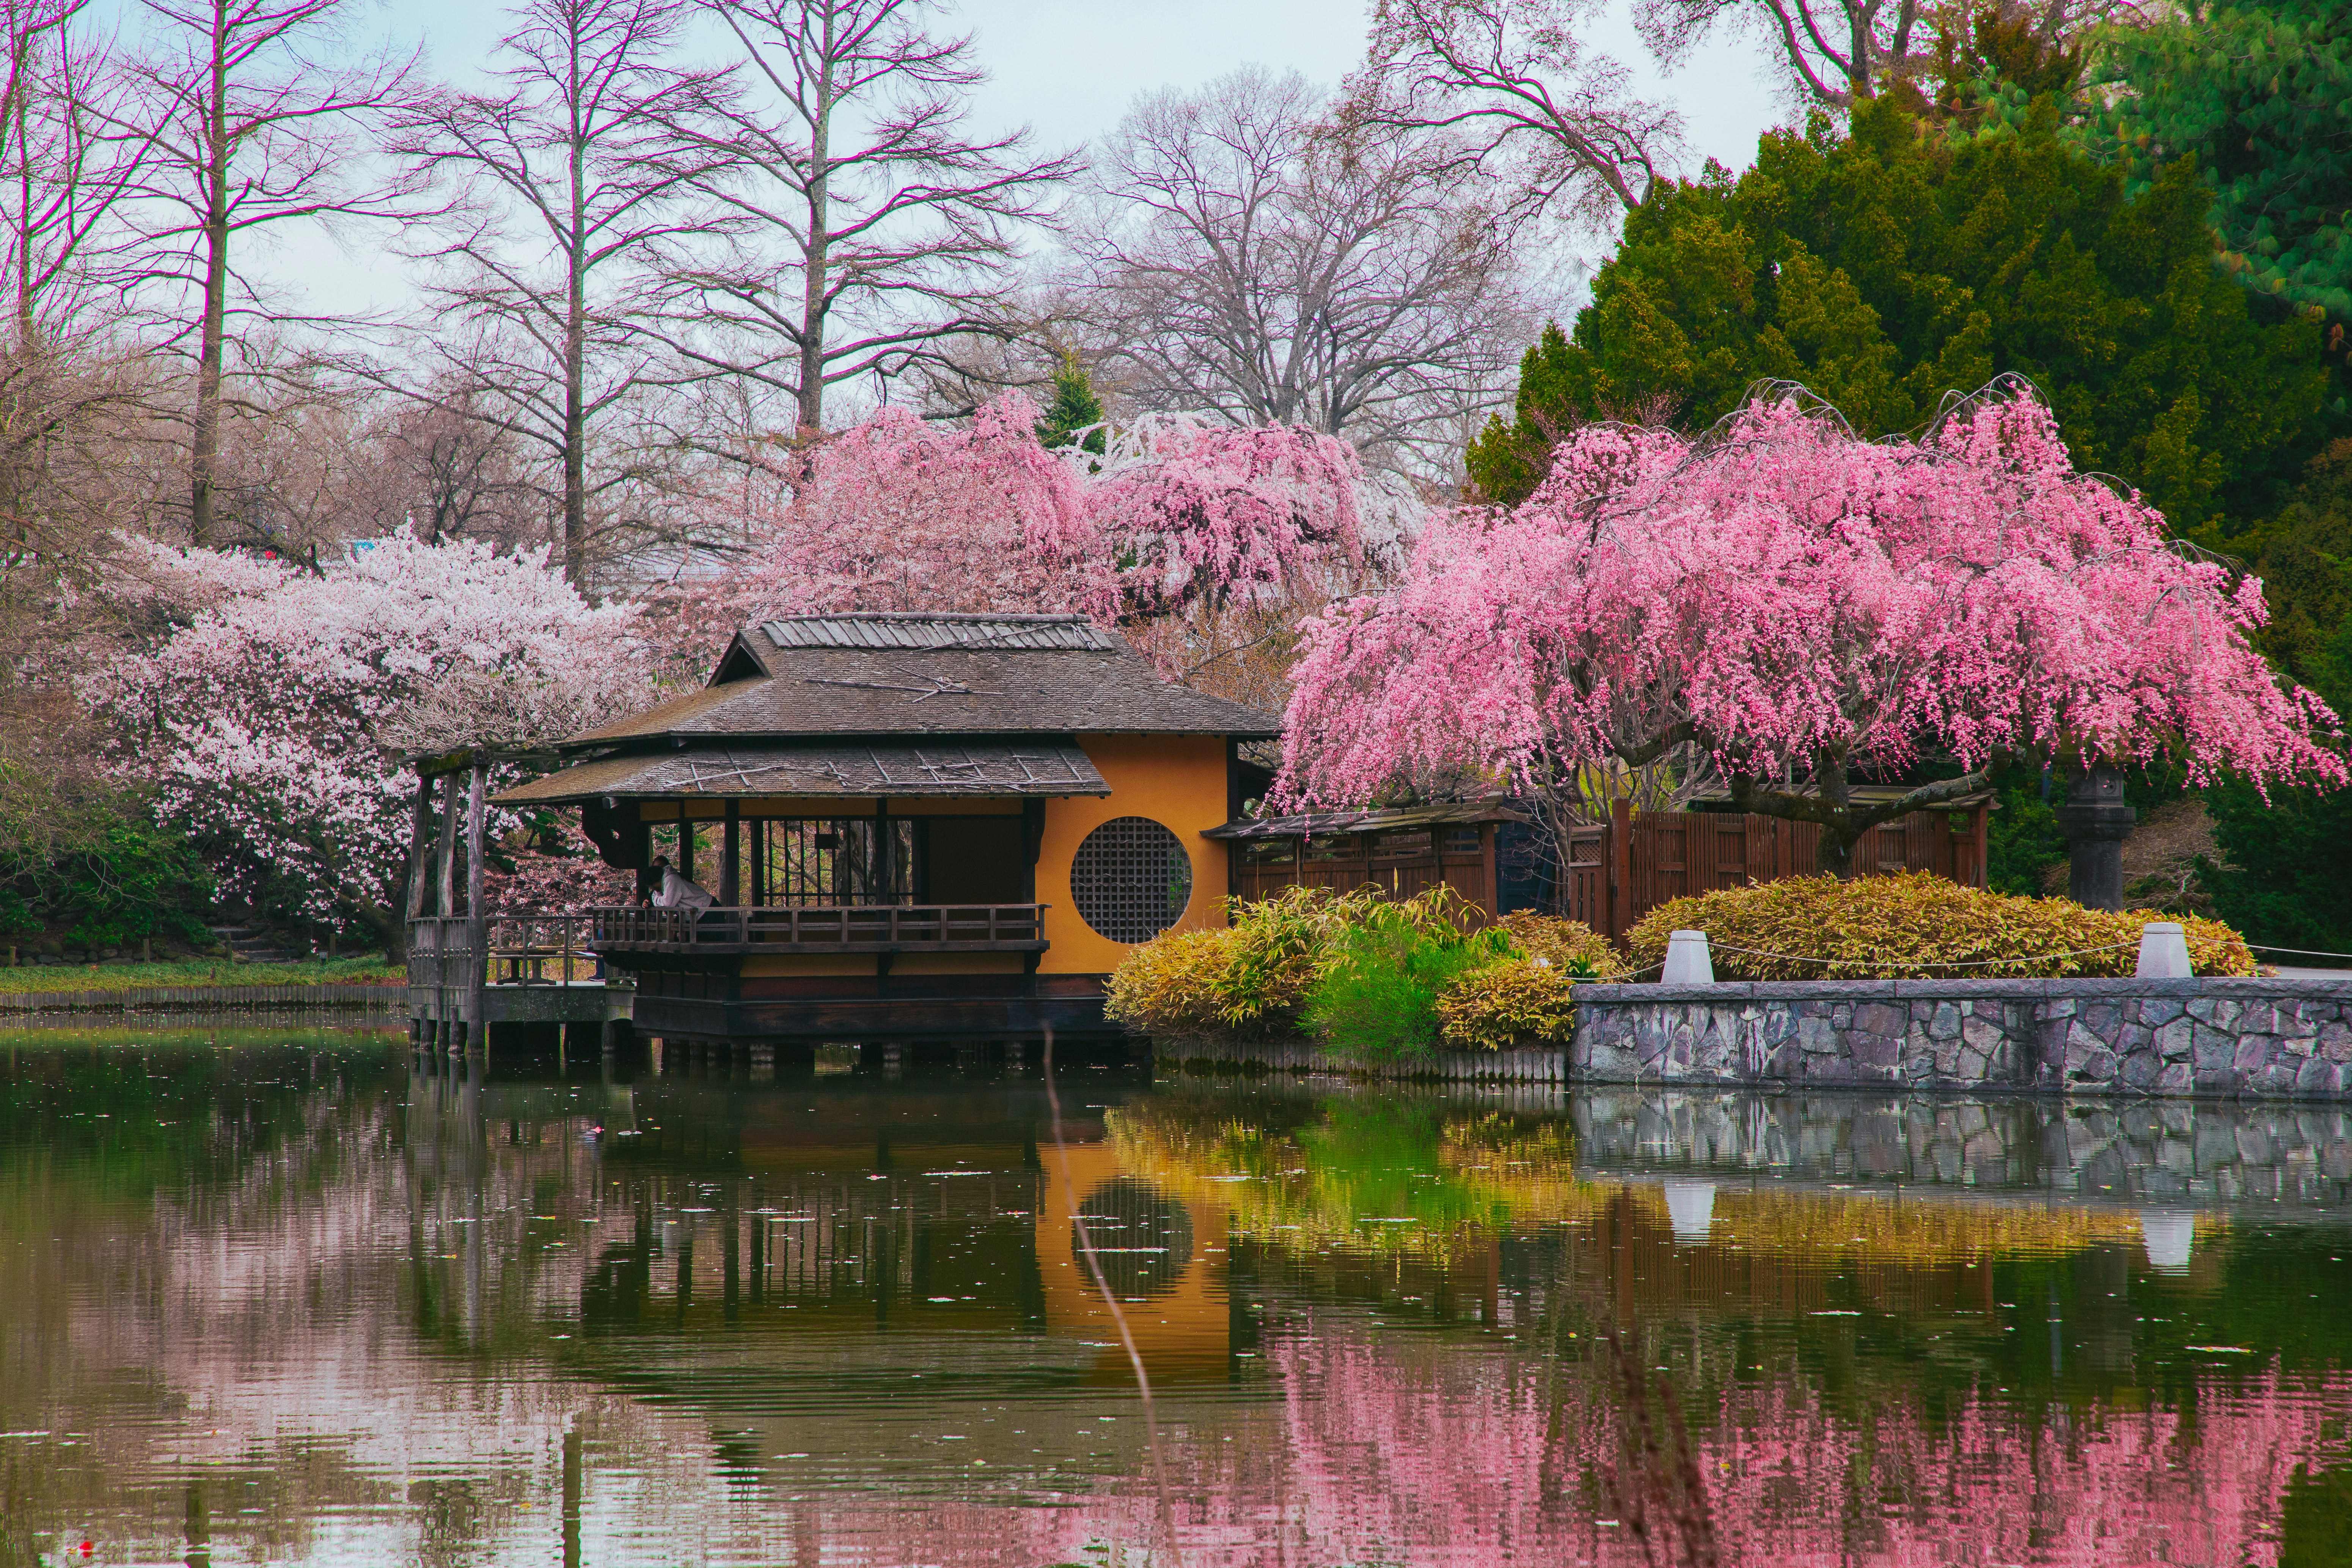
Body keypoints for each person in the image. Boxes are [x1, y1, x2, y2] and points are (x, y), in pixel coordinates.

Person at [645, 854, 716, 910]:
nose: (658, 870)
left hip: (707, 908)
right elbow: (653, 895)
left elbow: (668, 903)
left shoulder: (672, 879)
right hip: (696, 912)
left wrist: (655, 900)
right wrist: (646, 902)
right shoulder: (662, 884)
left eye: (661, 867)